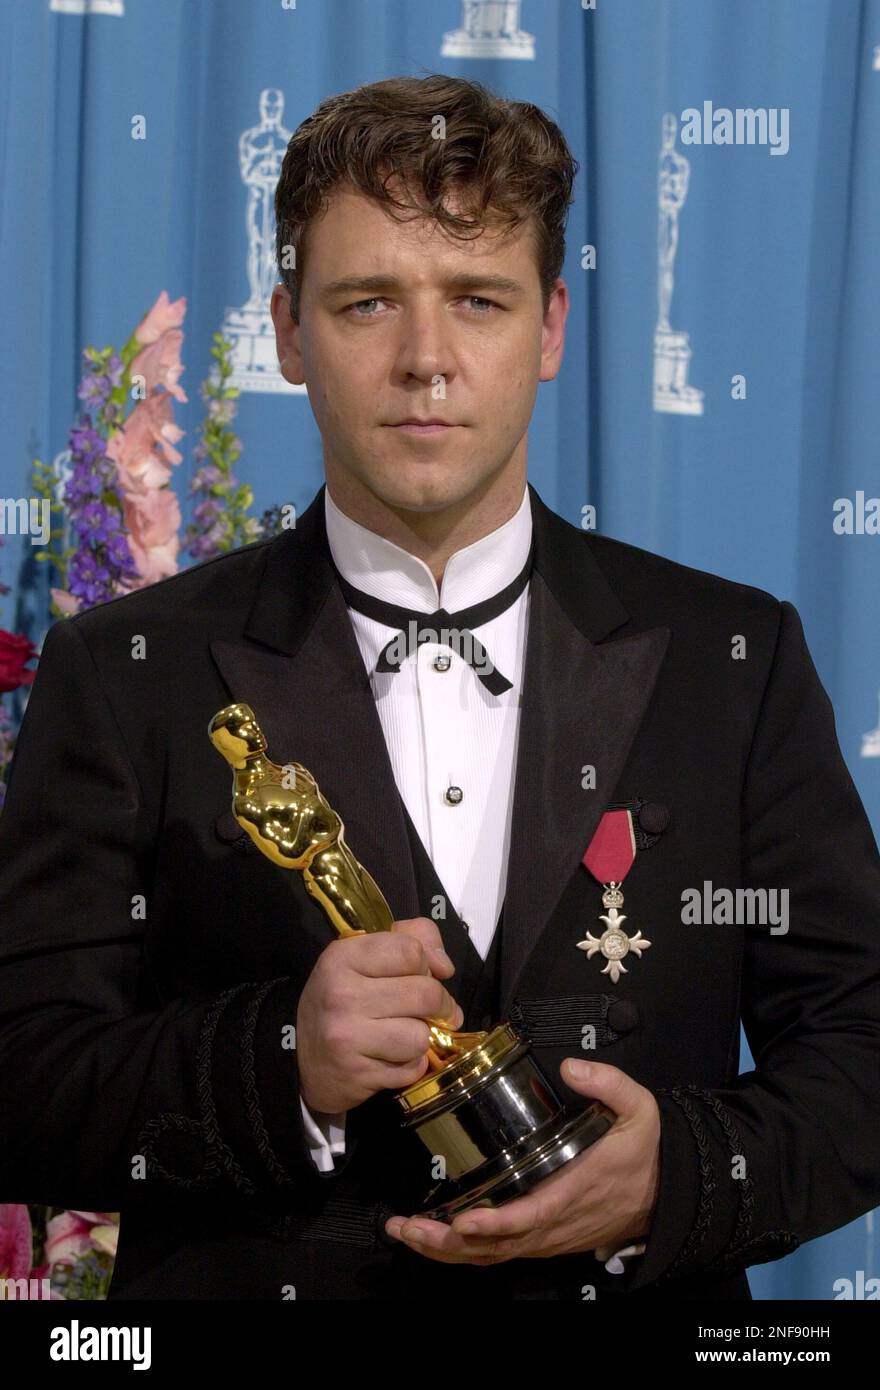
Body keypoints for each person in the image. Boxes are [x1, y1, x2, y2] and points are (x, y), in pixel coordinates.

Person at [1, 73, 879, 1302]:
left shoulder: (736, 658)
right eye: (367, 304)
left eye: (477, 300)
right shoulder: (122, 672)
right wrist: (281, 1060)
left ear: (552, 327)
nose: (426, 361)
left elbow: (860, 1042)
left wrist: (673, 1177)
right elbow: (24, 1074)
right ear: (291, 332)